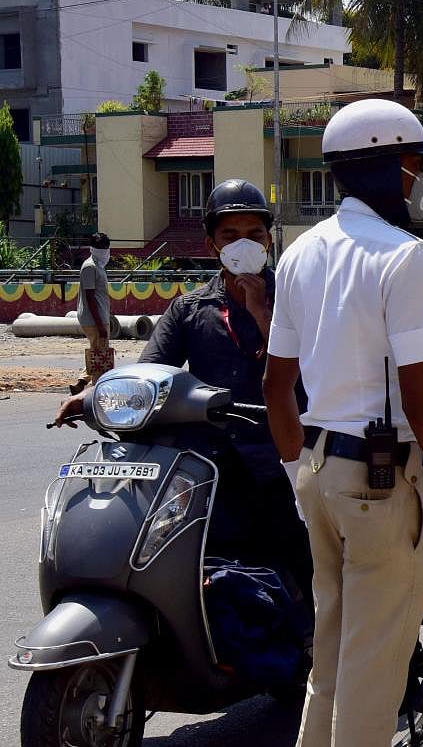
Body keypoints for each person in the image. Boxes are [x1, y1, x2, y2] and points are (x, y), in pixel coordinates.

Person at [262, 98, 423, 747]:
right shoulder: (404, 256)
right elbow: (422, 403)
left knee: (332, 660)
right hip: (380, 484)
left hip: (319, 473)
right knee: (373, 675)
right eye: (415, 166)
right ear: (382, 166)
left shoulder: (301, 254)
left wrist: (297, 479)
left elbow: (277, 386)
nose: (421, 182)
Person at [55, 180, 313, 608]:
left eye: (254, 234)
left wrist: (264, 314)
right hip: (209, 468)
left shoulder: (297, 300)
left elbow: (311, 375)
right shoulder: (190, 308)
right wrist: (93, 398)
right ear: (212, 243)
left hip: (283, 465)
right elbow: (150, 373)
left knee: (305, 573)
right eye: (230, 235)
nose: (243, 244)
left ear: (269, 240)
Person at [71, 232, 113, 394]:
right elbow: (90, 297)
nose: (105, 251)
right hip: (94, 318)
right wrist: (100, 324)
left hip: (100, 315)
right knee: (100, 354)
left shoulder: (98, 265)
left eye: (106, 247)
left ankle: (81, 382)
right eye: (102, 247)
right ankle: (96, 390)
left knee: (97, 351)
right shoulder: (90, 266)